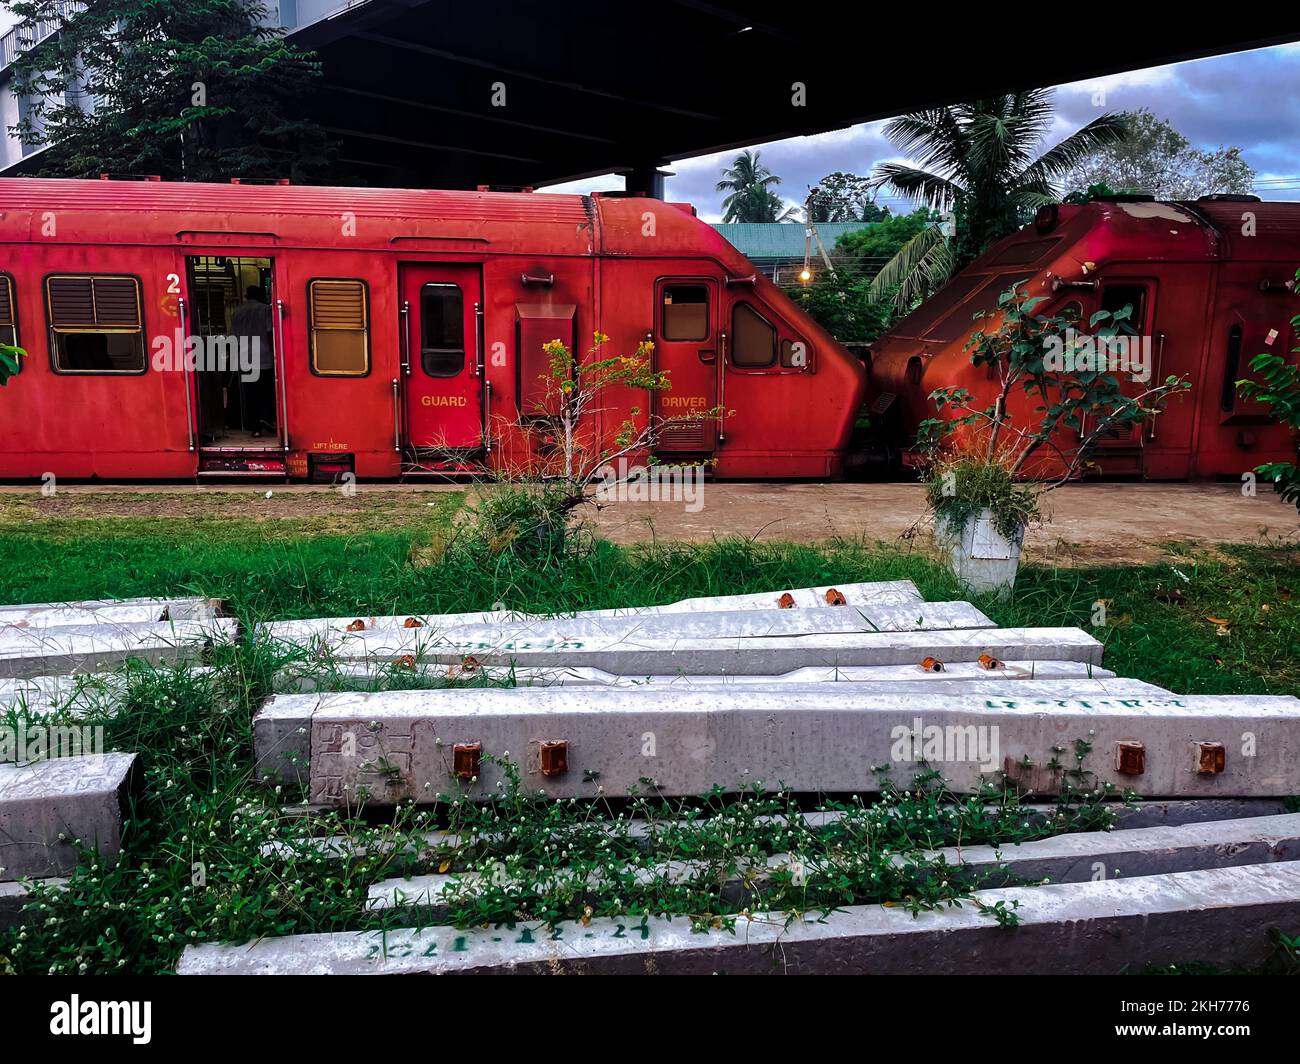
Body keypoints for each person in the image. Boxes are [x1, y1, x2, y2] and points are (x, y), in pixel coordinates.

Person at [231, 286, 276, 437]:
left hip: (244, 358)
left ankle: (254, 426)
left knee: (250, 393)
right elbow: (270, 333)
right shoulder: (265, 310)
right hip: (264, 357)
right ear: (261, 296)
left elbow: (234, 337)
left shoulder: (237, 312)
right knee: (266, 391)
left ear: (246, 296)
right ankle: (266, 419)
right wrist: (275, 353)